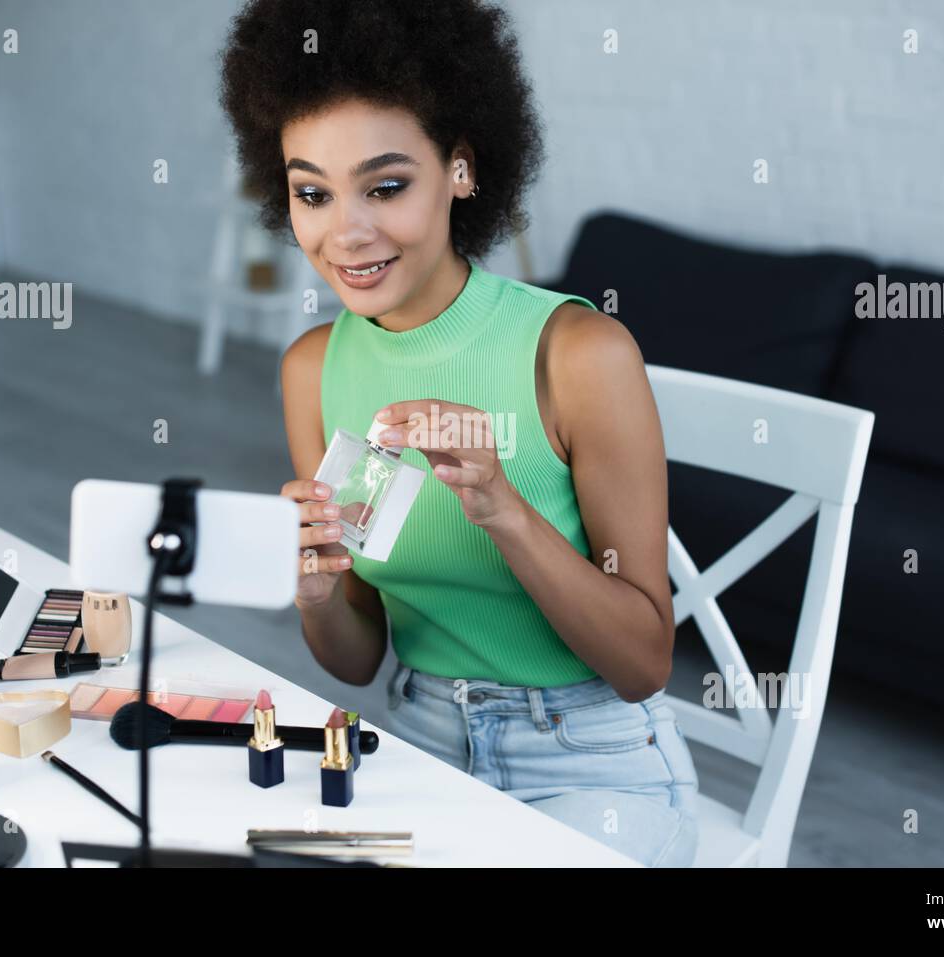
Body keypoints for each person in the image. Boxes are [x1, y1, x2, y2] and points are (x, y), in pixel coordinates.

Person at [220, 0, 698, 867]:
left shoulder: (579, 353)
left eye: (387, 185)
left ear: (463, 170)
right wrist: (317, 586)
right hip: (418, 742)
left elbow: (644, 663)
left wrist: (502, 507)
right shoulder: (311, 370)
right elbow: (356, 658)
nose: (347, 232)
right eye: (312, 193)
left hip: (592, 764)